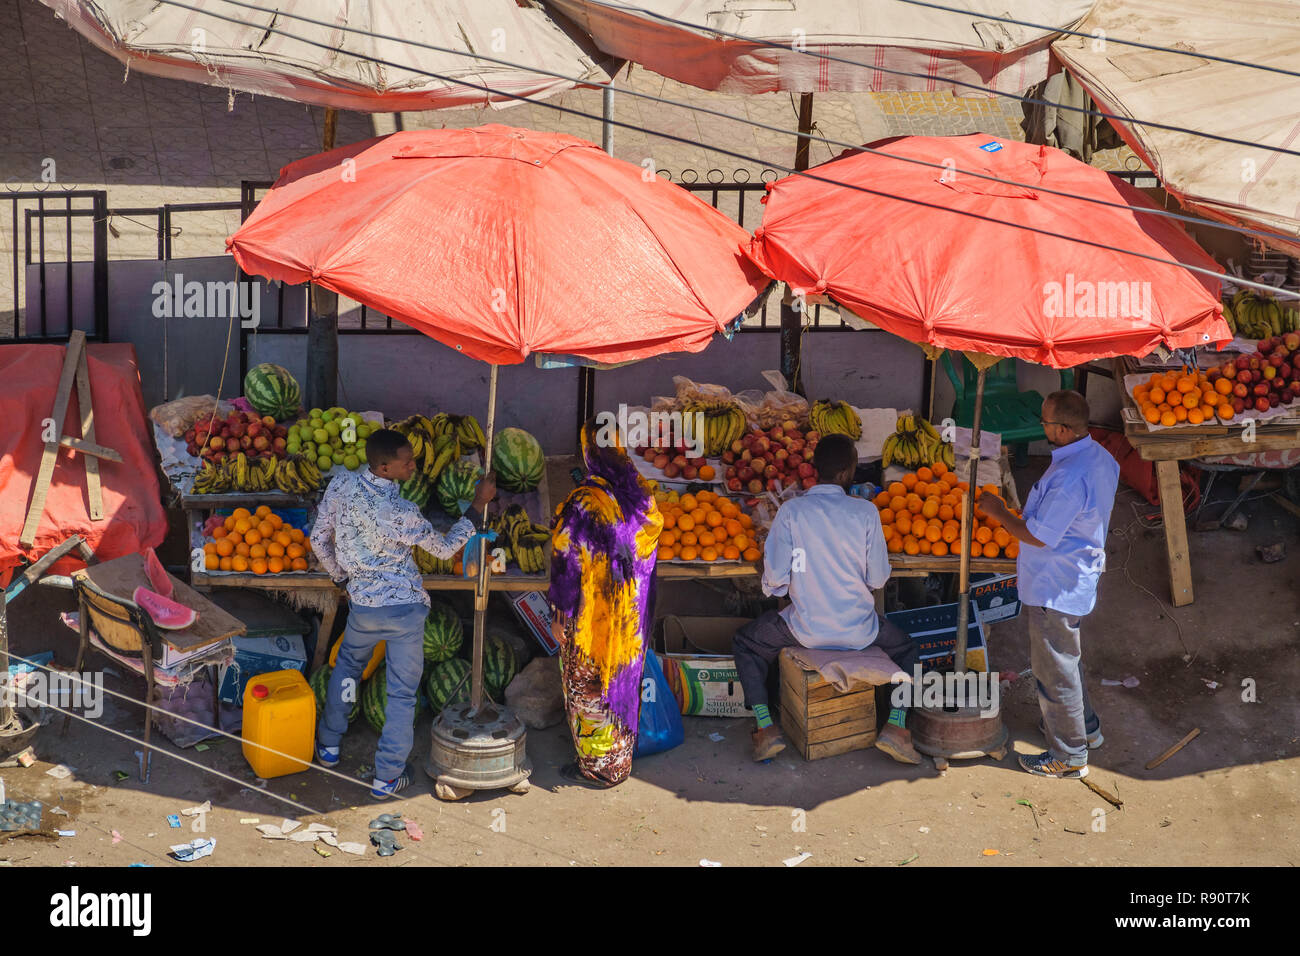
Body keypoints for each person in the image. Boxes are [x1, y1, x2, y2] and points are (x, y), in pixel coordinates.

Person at [310, 427, 496, 799]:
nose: (414, 465)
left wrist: (340, 577)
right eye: (406, 462)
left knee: (346, 669)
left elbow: (318, 539)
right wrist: (477, 506)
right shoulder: (401, 512)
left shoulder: (340, 485)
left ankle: (328, 746)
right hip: (404, 613)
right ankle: (387, 778)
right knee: (401, 695)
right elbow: (444, 549)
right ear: (383, 467)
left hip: (363, 608)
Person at [732, 433, 921, 764]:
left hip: (804, 629)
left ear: (812, 467)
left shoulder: (791, 511)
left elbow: (775, 580)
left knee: (747, 643)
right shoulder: (865, 513)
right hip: (861, 630)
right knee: (907, 649)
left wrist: (775, 575)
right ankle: (896, 726)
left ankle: (765, 727)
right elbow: (878, 579)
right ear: (849, 473)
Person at [980, 390, 1119, 779]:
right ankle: (1085, 730)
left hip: (1055, 585)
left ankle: (1069, 756)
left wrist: (1000, 513)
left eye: (1044, 423)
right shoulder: (1097, 457)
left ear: (1062, 428)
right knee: (1064, 661)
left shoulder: (1070, 478)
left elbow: (1039, 536)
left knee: (1053, 671)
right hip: (1073, 575)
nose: (1041, 427)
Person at [548, 419, 663, 788]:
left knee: (588, 689)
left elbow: (567, 561)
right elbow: (649, 536)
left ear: (587, 453)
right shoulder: (641, 497)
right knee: (622, 683)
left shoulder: (583, 503)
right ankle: (620, 761)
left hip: (591, 619)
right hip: (630, 619)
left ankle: (598, 768)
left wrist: (560, 614)